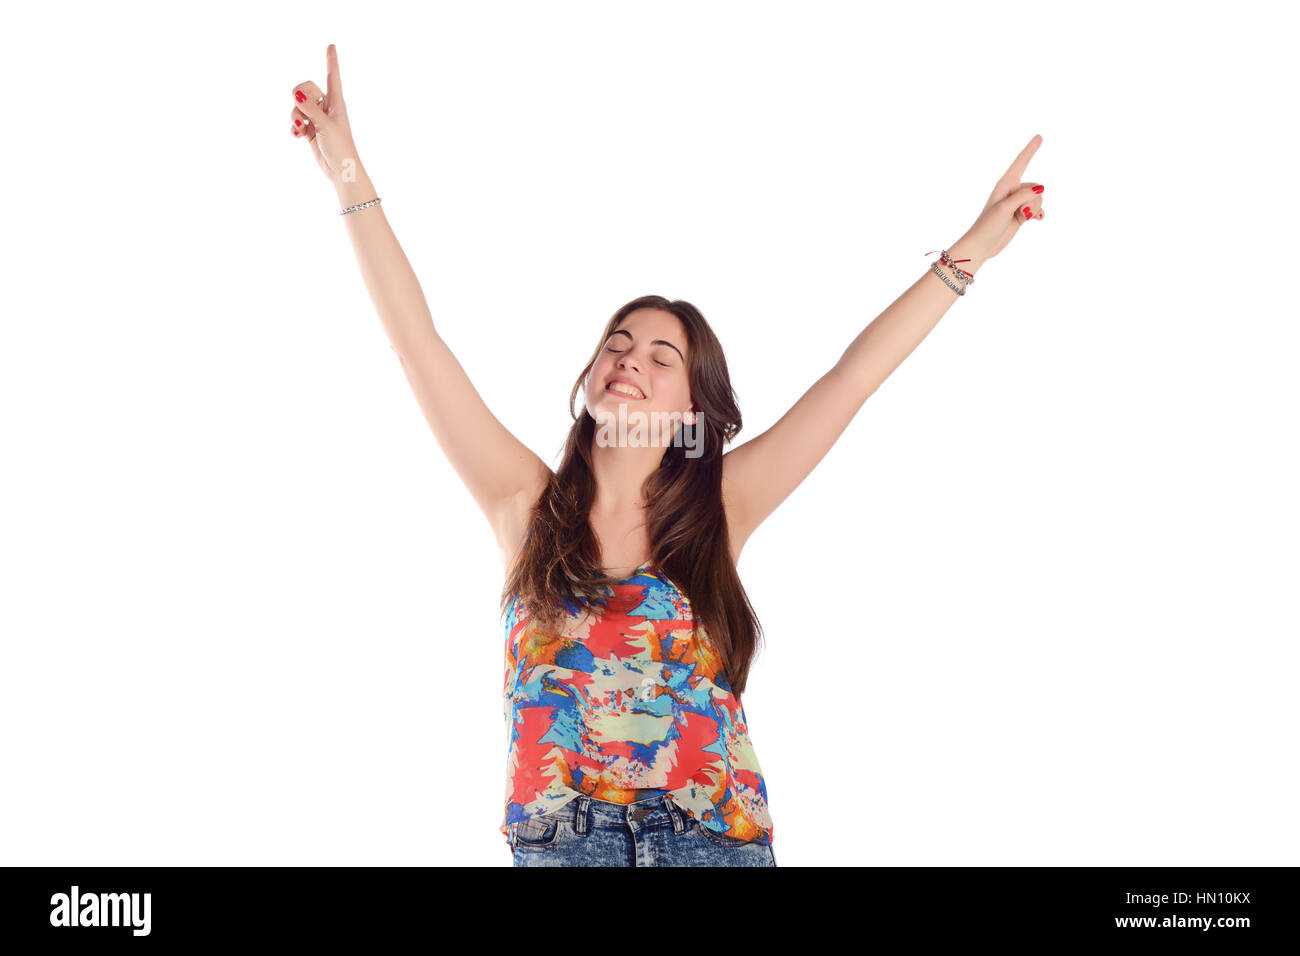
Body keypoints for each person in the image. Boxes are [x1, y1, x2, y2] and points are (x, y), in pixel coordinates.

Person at [289, 44, 1046, 867]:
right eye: (618, 345)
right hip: (561, 845)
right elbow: (416, 344)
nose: (630, 363)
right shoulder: (523, 505)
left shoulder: (723, 503)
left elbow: (854, 377)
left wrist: (971, 250)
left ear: (694, 406)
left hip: (710, 840)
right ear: (589, 377)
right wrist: (347, 174)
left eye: (660, 357)